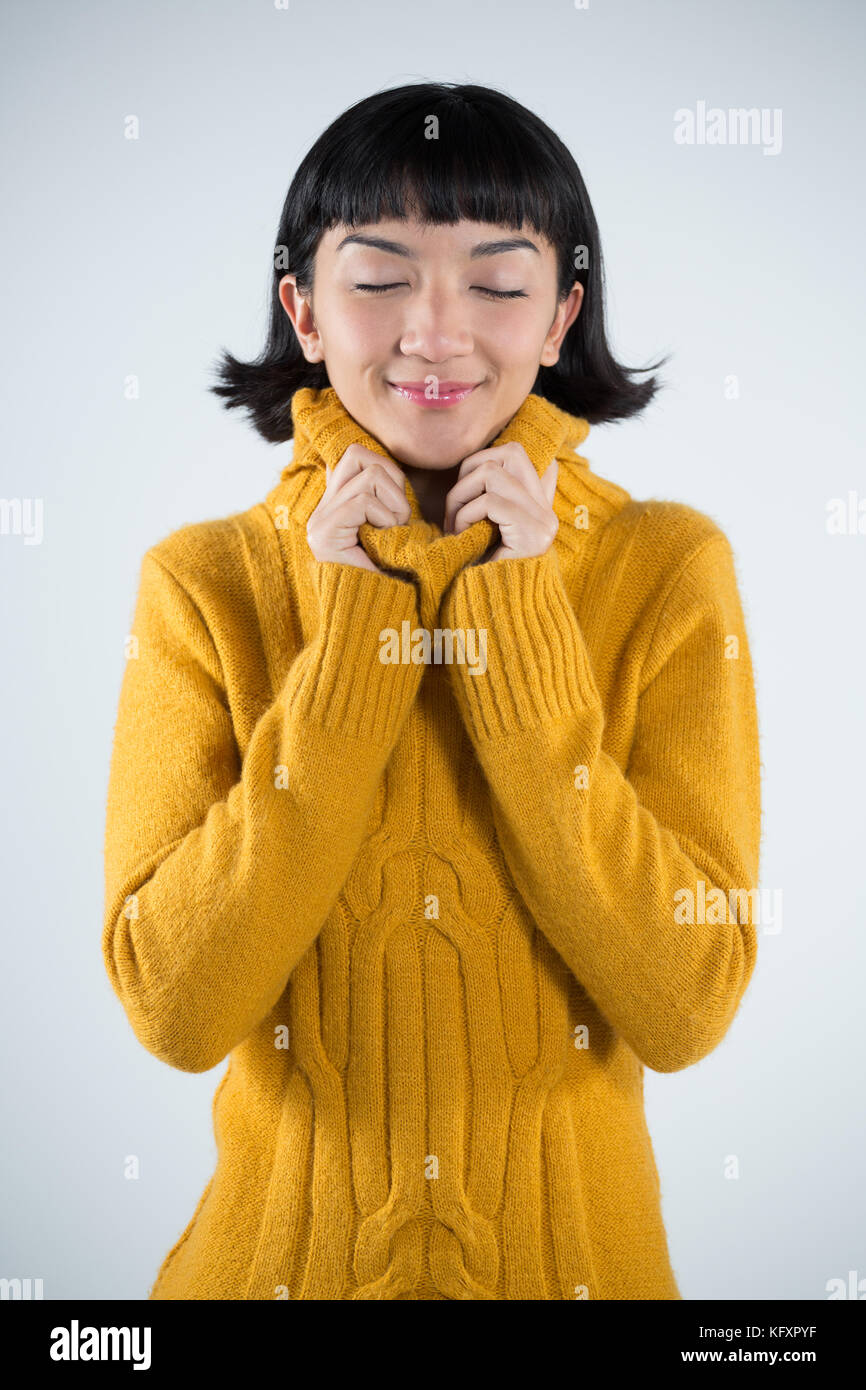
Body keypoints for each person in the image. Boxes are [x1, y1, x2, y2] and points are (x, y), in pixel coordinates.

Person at [102, 81, 761, 1300]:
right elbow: (177, 1011)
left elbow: (684, 1005)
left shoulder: (664, 567)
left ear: (561, 315)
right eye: (380, 275)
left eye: (498, 284)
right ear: (301, 306)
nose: (436, 331)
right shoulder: (204, 584)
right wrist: (350, 644)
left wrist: (514, 623)